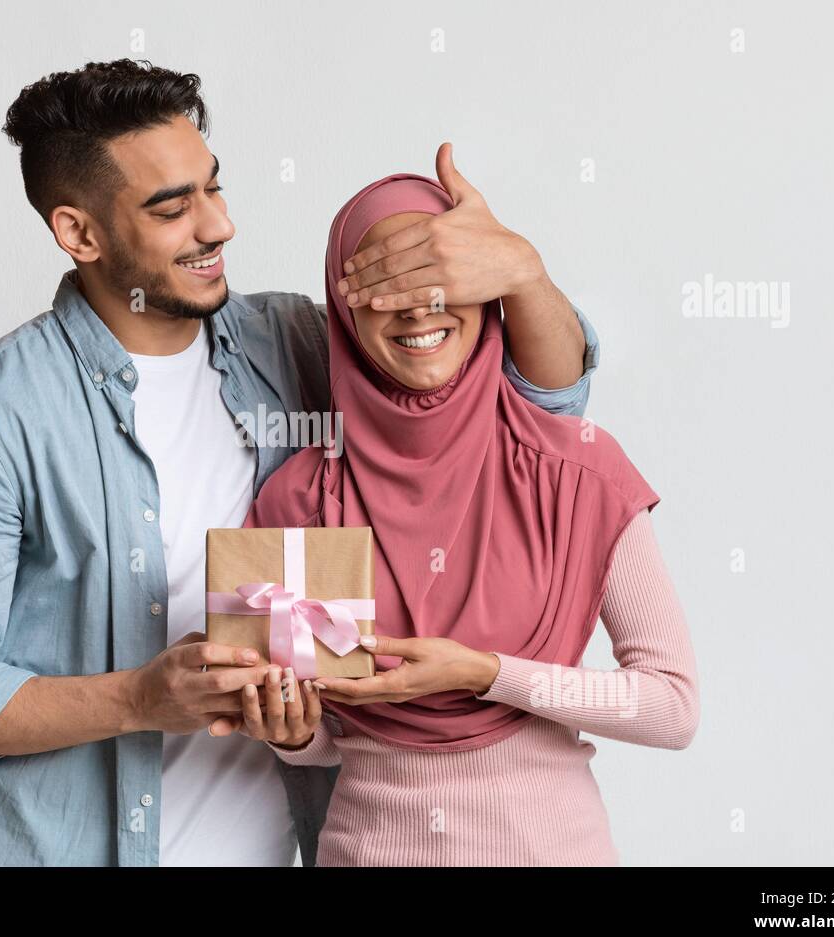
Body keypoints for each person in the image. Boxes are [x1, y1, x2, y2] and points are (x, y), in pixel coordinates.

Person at [0, 60, 602, 866]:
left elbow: (535, 413)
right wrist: (139, 698)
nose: (217, 226)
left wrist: (521, 273)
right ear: (79, 232)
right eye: (171, 207)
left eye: (213, 188)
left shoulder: (296, 348)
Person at [213, 173, 700, 865]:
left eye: (438, 280)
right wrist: (288, 733)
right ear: (345, 311)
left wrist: (485, 673)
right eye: (386, 288)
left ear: (486, 288)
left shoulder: (579, 470)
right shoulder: (296, 500)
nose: (418, 312)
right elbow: (325, 740)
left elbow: (672, 709)